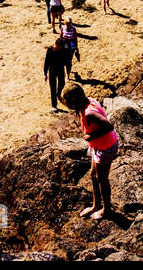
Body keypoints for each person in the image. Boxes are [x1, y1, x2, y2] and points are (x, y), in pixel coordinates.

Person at [62, 84, 118, 220]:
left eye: (68, 103)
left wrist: (93, 136)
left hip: (105, 147)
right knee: (94, 175)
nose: (68, 106)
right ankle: (96, 205)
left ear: (74, 100)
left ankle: (107, 210)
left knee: (102, 179)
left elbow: (109, 126)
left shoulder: (89, 113)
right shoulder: (87, 102)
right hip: (97, 147)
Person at [45, 38, 70, 108]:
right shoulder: (50, 50)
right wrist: (45, 73)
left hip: (60, 70)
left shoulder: (62, 50)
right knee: (52, 88)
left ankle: (58, 93)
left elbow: (66, 60)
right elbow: (46, 62)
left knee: (62, 84)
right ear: (58, 45)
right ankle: (54, 105)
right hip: (52, 71)